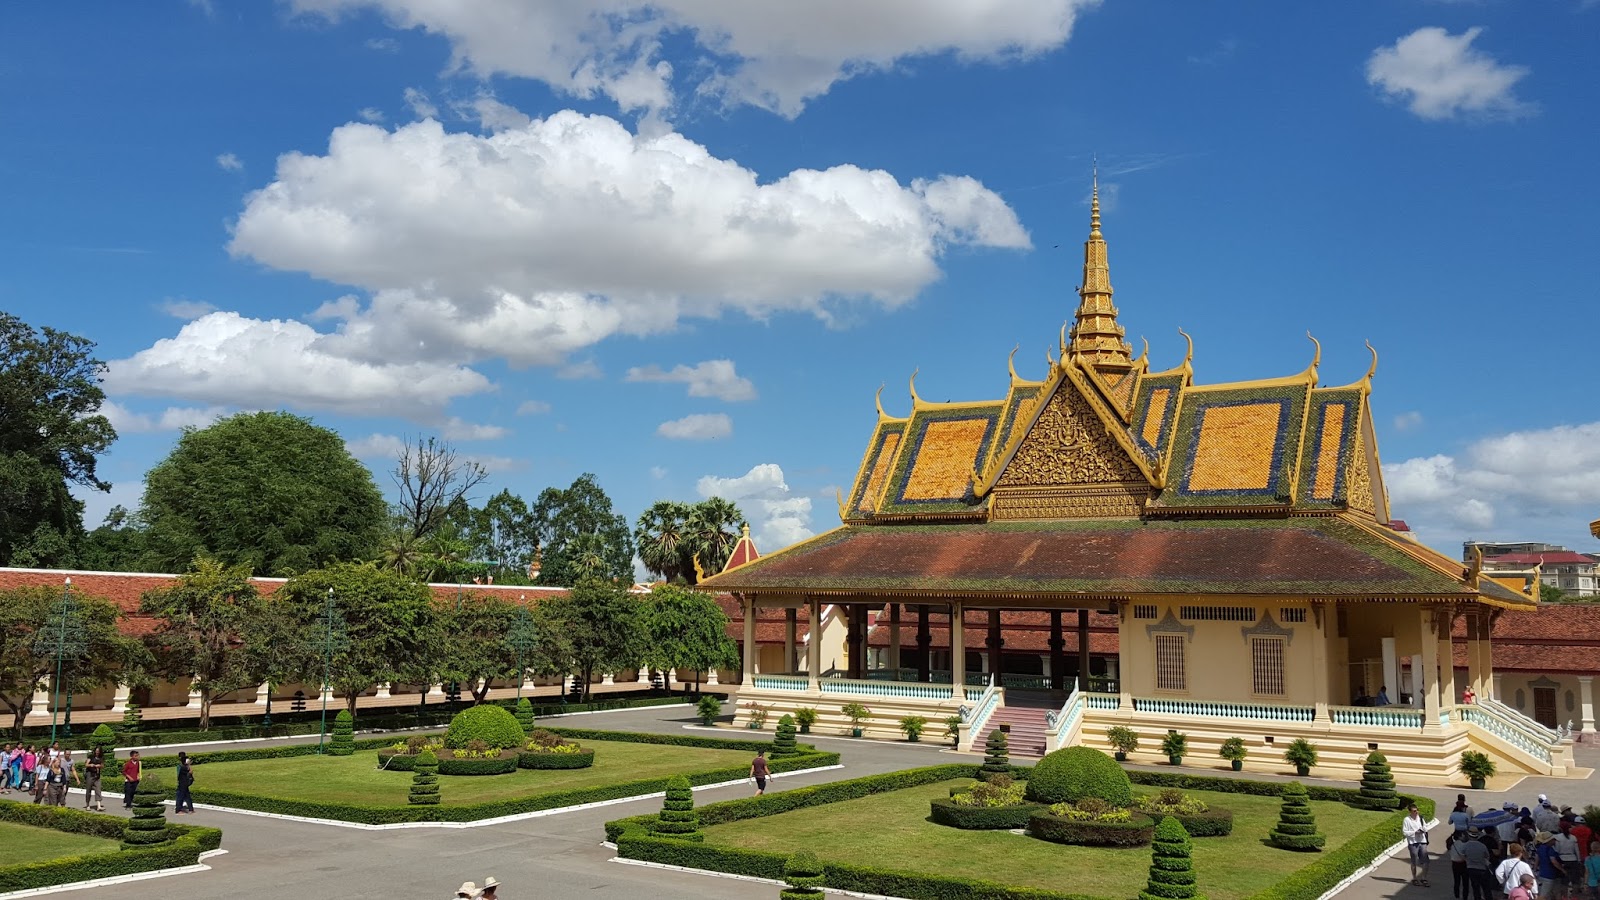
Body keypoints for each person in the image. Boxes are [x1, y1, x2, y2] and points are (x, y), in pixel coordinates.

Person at [1461, 826, 1495, 900]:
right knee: (1486, 888)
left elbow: (1463, 857)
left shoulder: (1465, 846)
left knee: (1476, 889)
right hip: (1482, 869)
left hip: (1471, 869)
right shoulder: (1482, 846)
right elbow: (1487, 857)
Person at [1404, 803, 1432, 887]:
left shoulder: (1421, 818)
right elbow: (1405, 832)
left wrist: (1422, 830)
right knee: (1414, 861)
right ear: (1410, 812)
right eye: (1414, 811)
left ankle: (1424, 878)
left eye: (1417, 811)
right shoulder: (1407, 820)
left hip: (1422, 841)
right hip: (1413, 842)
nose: (1416, 813)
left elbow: (1426, 827)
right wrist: (1414, 832)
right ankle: (1414, 878)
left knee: (1426, 861)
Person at [1535, 832, 1564, 899]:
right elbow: (1554, 862)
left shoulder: (1540, 848)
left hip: (1542, 873)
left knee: (1545, 892)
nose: (1554, 841)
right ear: (1549, 841)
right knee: (1544, 895)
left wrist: (1535, 870)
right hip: (1550, 875)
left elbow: (1537, 860)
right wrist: (1562, 870)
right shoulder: (1550, 850)